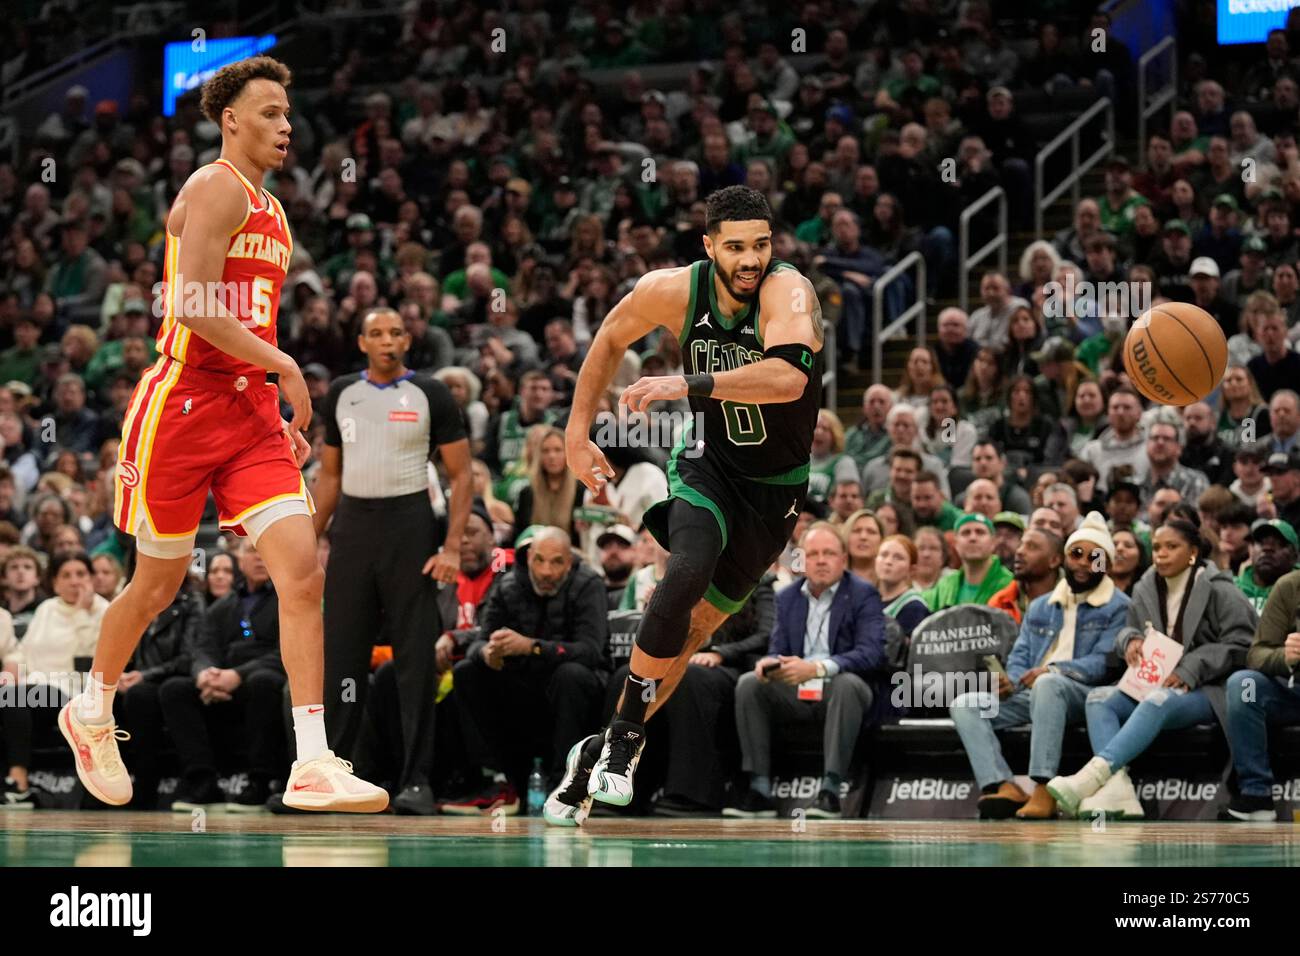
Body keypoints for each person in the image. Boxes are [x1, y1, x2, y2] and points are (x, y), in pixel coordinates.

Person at [57, 56, 386, 812]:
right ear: (230, 120)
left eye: (288, 114)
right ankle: (93, 708)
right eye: (270, 112)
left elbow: (247, 324)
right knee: (157, 586)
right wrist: (285, 366)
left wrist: (267, 390)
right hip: (180, 404)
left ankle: (312, 760)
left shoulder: (275, 211)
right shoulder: (213, 186)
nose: (285, 126)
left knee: (302, 573)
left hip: (247, 413)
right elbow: (195, 307)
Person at [544, 186, 826, 825]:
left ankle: (594, 756)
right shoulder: (671, 290)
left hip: (774, 490)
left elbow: (789, 379)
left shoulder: (788, 291)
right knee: (686, 571)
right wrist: (576, 432)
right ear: (709, 246)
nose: (750, 259)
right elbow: (610, 338)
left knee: (697, 630)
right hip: (708, 463)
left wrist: (686, 382)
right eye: (735, 247)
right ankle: (626, 740)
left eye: (761, 245)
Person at [310, 307, 472, 816]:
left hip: (410, 528)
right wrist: (308, 537)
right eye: (376, 333)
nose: (387, 341)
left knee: (414, 662)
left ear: (407, 340)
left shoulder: (431, 393)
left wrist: (451, 547)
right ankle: (333, 774)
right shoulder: (342, 392)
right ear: (362, 342)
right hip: (353, 529)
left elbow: (462, 475)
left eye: (395, 333)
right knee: (343, 660)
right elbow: (330, 476)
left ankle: (416, 780)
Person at [1047, 518, 1257, 818]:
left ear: (1193, 552)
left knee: (1157, 701)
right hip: (1154, 679)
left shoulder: (1220, 588)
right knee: (1098, 699)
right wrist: (1130, 640)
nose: (1161, 554)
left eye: (1172, 547)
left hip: (1209, 687)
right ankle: (1120, 793)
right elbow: (1128, 628)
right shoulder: (1146, 585)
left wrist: (1190, 668)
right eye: (1157, 547)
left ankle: (1091, 777)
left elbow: (1243, 642)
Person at [952, 516, 1129, 819]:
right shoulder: (1041, 605)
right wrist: (1010, 681)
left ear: (1107, 565)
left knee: (1048, 684)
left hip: (1084, 694)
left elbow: (1103, 663)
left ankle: (1044, 787)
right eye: (1077, 554)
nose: (1084, 563)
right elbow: (1021, 655)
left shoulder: (1119, 606)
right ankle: (1002, 784)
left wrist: (1053, 671)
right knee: (965, 704)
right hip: (1034, 693)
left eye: (1095, 557)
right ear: (1065, 559)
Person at [446, 526, 609, 815]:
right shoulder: (508, 584)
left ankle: (566, 784)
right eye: (540, 560)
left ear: (569, 562)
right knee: (468, 671)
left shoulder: (588, 584)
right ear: (529, 557)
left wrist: (532, 647)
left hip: (574, 692)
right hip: (522, 688)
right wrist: (488, 653)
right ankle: (497, 780)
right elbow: (480, 640)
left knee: (571, 675)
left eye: (556, 562)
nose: (546, 571)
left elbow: (591, 651)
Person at [728, 523, 886, 819]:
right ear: (802, 560)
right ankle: (759, 789)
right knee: (749, 683)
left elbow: (872, 652)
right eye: (813, 554)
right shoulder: (787, 597)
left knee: (847, 685)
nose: (821, 560)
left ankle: (830, 790)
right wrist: (770, 663)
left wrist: (817, 668)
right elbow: (777, 647)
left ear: (843, 559)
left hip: (842, 688)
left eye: (829, 553)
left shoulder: (863, 594)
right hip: (796, 687)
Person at [159, 538, 287, 811]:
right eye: (252, 551)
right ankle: (203, 783)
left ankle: (260, 782)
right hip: (224, 682)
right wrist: (205, 674)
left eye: (265, 551)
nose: (259, 557)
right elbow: (202, 649)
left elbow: (288, 652)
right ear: (239, 558)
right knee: (174, 689)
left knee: (263, 682)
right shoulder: (223, 605)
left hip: (264, 678)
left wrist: (237, 675)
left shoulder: (287, 598)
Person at [0, 553, 104, 808]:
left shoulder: (104, 610)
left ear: (92, 579)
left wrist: (81, 613)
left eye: (81, 574)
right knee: (9, 695)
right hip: (32, 685)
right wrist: (10, 674)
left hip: (71, 690)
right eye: (66, 576)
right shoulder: (47, 608)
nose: (74, 581)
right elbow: (24, 652)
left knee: (12, 697)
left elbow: (88, 661)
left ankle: (19, 782)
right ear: (55, 583)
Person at [1223, 564, 1300, 820]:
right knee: (1244, 684)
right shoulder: (1290, 586)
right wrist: (1285, 656)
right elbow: (1257, 654)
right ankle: (1256, 794)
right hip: (1294, 691)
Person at [922, 513, 1014, 611]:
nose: (972, 538)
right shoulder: (945, 585)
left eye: (980, 532)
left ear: (993, 542)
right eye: (966, 533)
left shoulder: (1009, 584)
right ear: (956, 544)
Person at [989, 527, 1063, 625]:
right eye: (1020, 545)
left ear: (1054, 560)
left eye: (1032, 547)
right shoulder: (1000, 603)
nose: (1019, 551)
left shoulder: (1074, 602)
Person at [873, 534, 931, 640]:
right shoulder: (867, 598)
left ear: (911, 570)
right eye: (884, 555)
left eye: (898, 558)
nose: (888, 562)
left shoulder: (914, 608)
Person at [1235, 518, 1300, 613]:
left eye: (1279, 543)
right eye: (1260, 542)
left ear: (1295, 555)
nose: (1267, 548)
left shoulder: (1297, 592)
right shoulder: (1232, 588)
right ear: (1251, 549)